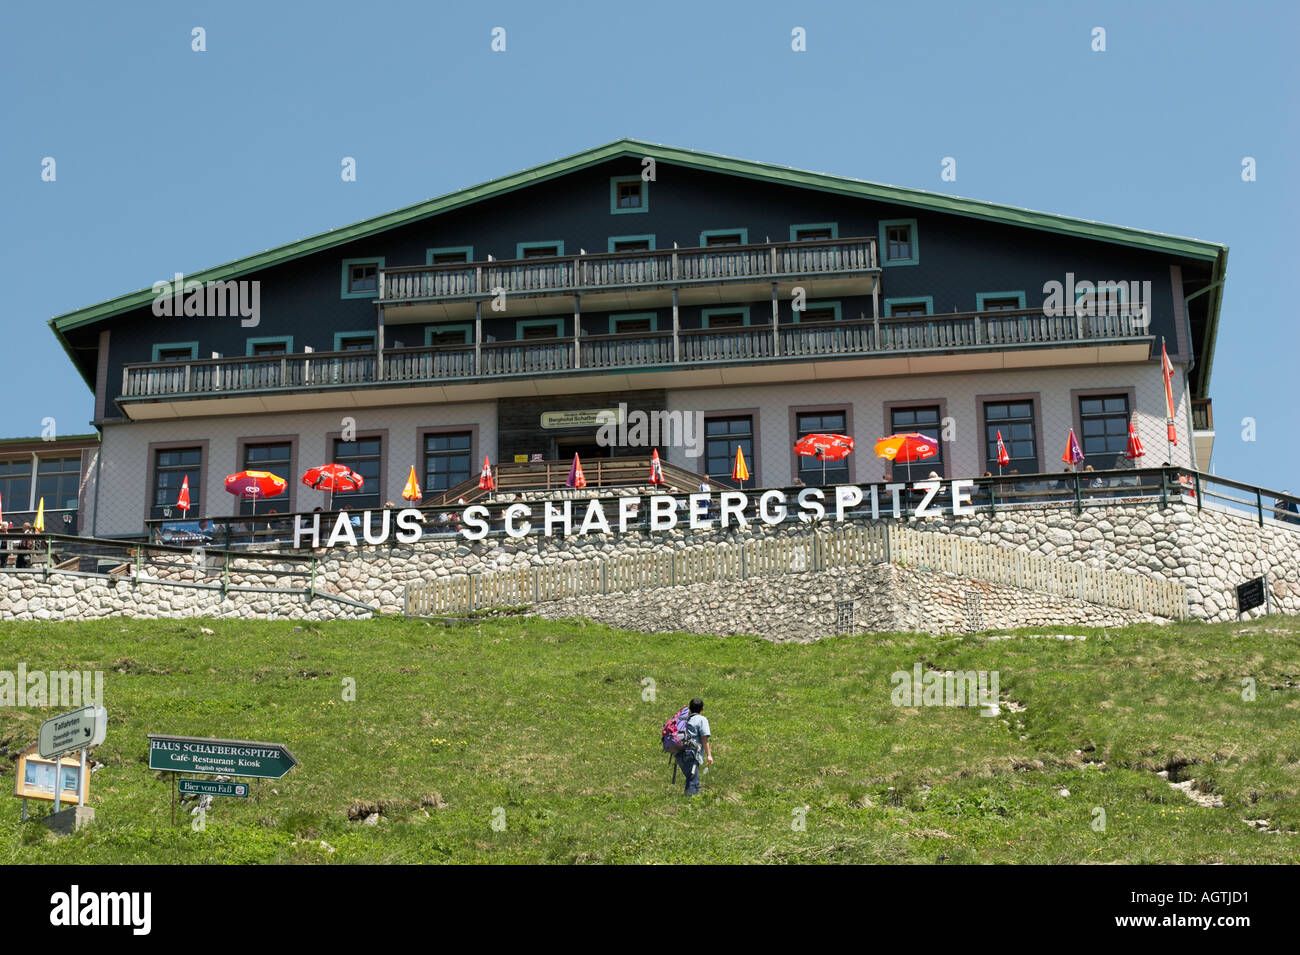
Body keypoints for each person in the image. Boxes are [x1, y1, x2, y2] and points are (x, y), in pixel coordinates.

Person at [674, 698, 713, 797]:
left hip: (678, 752)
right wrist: (709, 755)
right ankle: (689, 804)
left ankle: (686, 800)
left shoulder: (684, 719)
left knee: (690, 778)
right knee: (693, 781)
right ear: (702, 709)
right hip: (691, 753)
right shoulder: (701, 719)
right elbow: (704, 738)